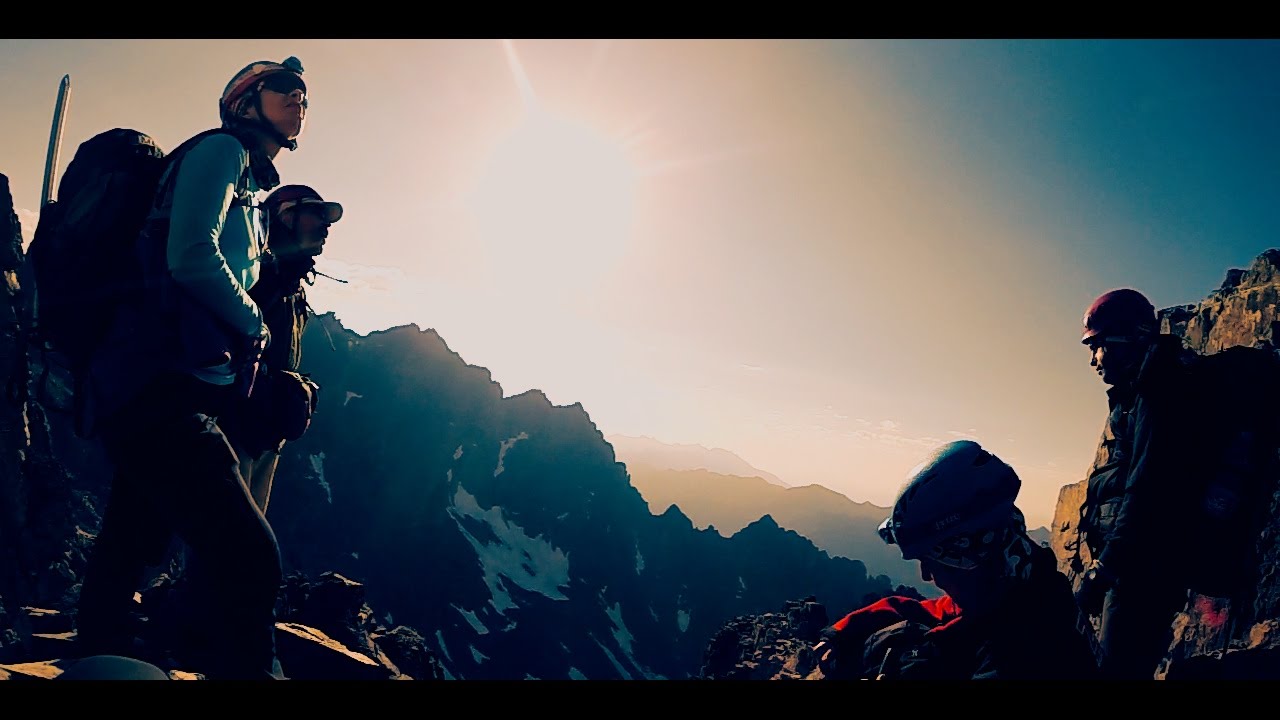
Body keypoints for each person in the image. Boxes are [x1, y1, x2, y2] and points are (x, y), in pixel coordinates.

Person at [74, 55, 311, 680]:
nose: (298, 102)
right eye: (284, 91)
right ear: (243, 101)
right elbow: (190, 257)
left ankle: (97, 655)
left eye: (304, 98)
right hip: (160, 389)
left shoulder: (248, 184)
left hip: (154, 386)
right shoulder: (220, 154)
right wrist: (255, 326)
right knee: (249, 556)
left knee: (132, 537)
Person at [812, 440, 1098, 680]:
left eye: (930, 561)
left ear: (966, 558)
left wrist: (920, 660)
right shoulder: (1012, 587)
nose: (926, 575)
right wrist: (845, 631)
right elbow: (934, 612)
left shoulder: (1031, 649)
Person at [1072, 288, 1194, 680]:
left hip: (1141, 572)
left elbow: (1147, 490)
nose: (1093, 360)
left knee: (1116, 670)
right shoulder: (1146, 389)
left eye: (1097, 346)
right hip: (1139, 567)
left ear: (1126, 340)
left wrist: (1104, 568)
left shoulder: (1160, 392)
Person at [220, 183, 335, 513]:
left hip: (264, 435)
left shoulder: (290, 285)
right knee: (228, 537)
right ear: (286, 217)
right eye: (317, 215)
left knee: (238, 539)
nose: (326, 227)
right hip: (236, 432)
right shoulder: (257, 275)